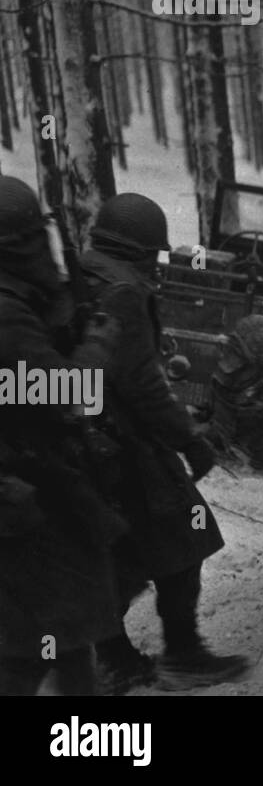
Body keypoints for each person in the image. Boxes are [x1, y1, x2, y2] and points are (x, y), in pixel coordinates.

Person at [80, 193, 246, 692]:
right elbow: (141, 385)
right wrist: (188, 439)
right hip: (127, 442)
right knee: (184, 539)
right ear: (140, 248)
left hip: (86, 439)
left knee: (115, 551)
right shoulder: (124, 289)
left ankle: (112, 656)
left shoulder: (80, 274)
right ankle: (183, 653)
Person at [0, 177, 125, 696]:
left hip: (38, 489)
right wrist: (97, 344)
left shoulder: (17, 302)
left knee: (68, 633)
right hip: (25, 493)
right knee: (29, 648)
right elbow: (62, 394)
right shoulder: (5, 313)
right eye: (34, 238)